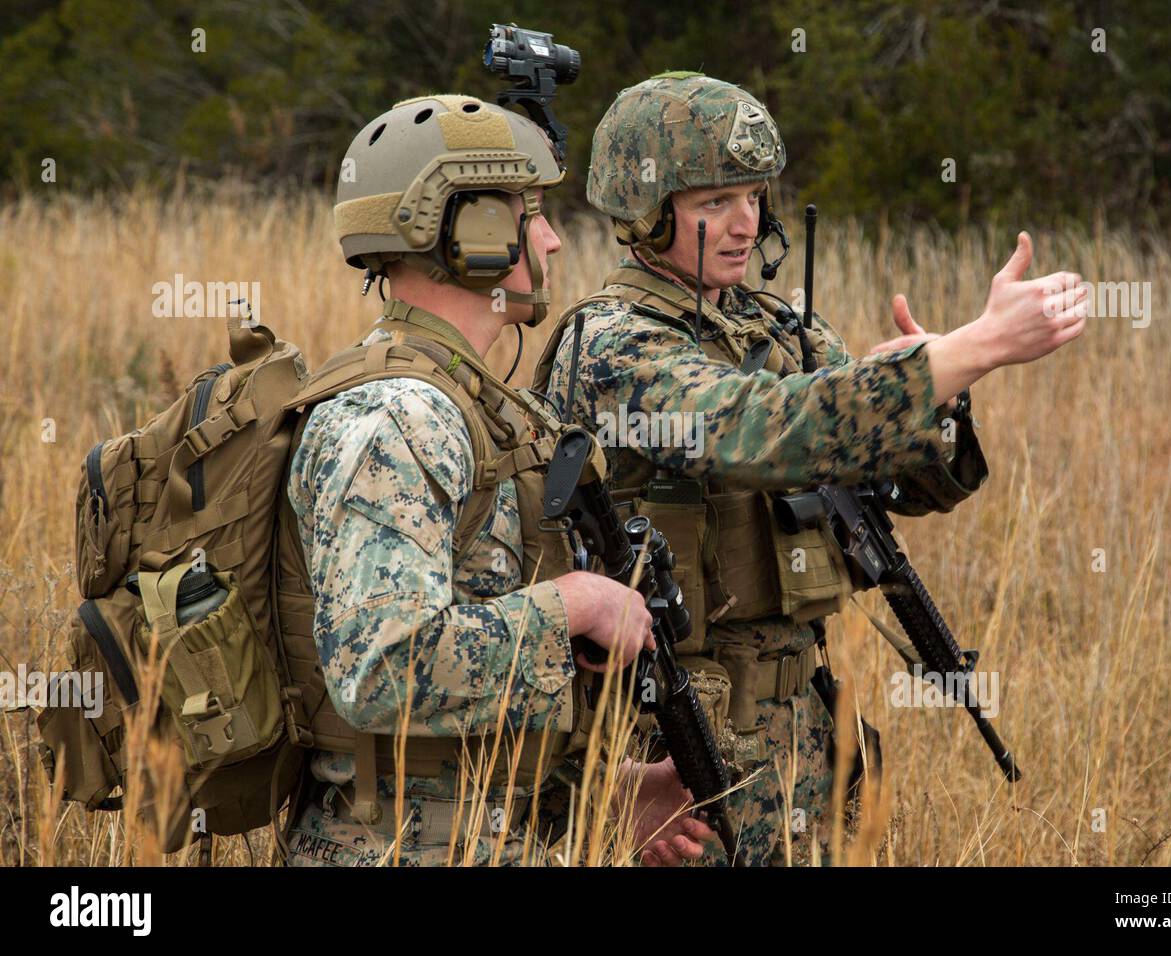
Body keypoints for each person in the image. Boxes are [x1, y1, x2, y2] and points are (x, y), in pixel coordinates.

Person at [536, 72, 1088, 865]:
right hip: (676, 748)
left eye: (754, 197)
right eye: (713, 203)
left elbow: (913, 484)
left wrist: (943, 388)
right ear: (646, 212)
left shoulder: (773, 327)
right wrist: (972, 347)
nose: (744, 223)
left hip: (802, 727)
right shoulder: (613, 345)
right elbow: (757, 429)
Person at [278, 92, 712, 866]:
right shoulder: (401, 417)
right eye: (530, 211)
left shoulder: (473, 402)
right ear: (472, 233)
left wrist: (599, 791)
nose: (550, 238)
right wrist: (572, 605)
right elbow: (379, 668)